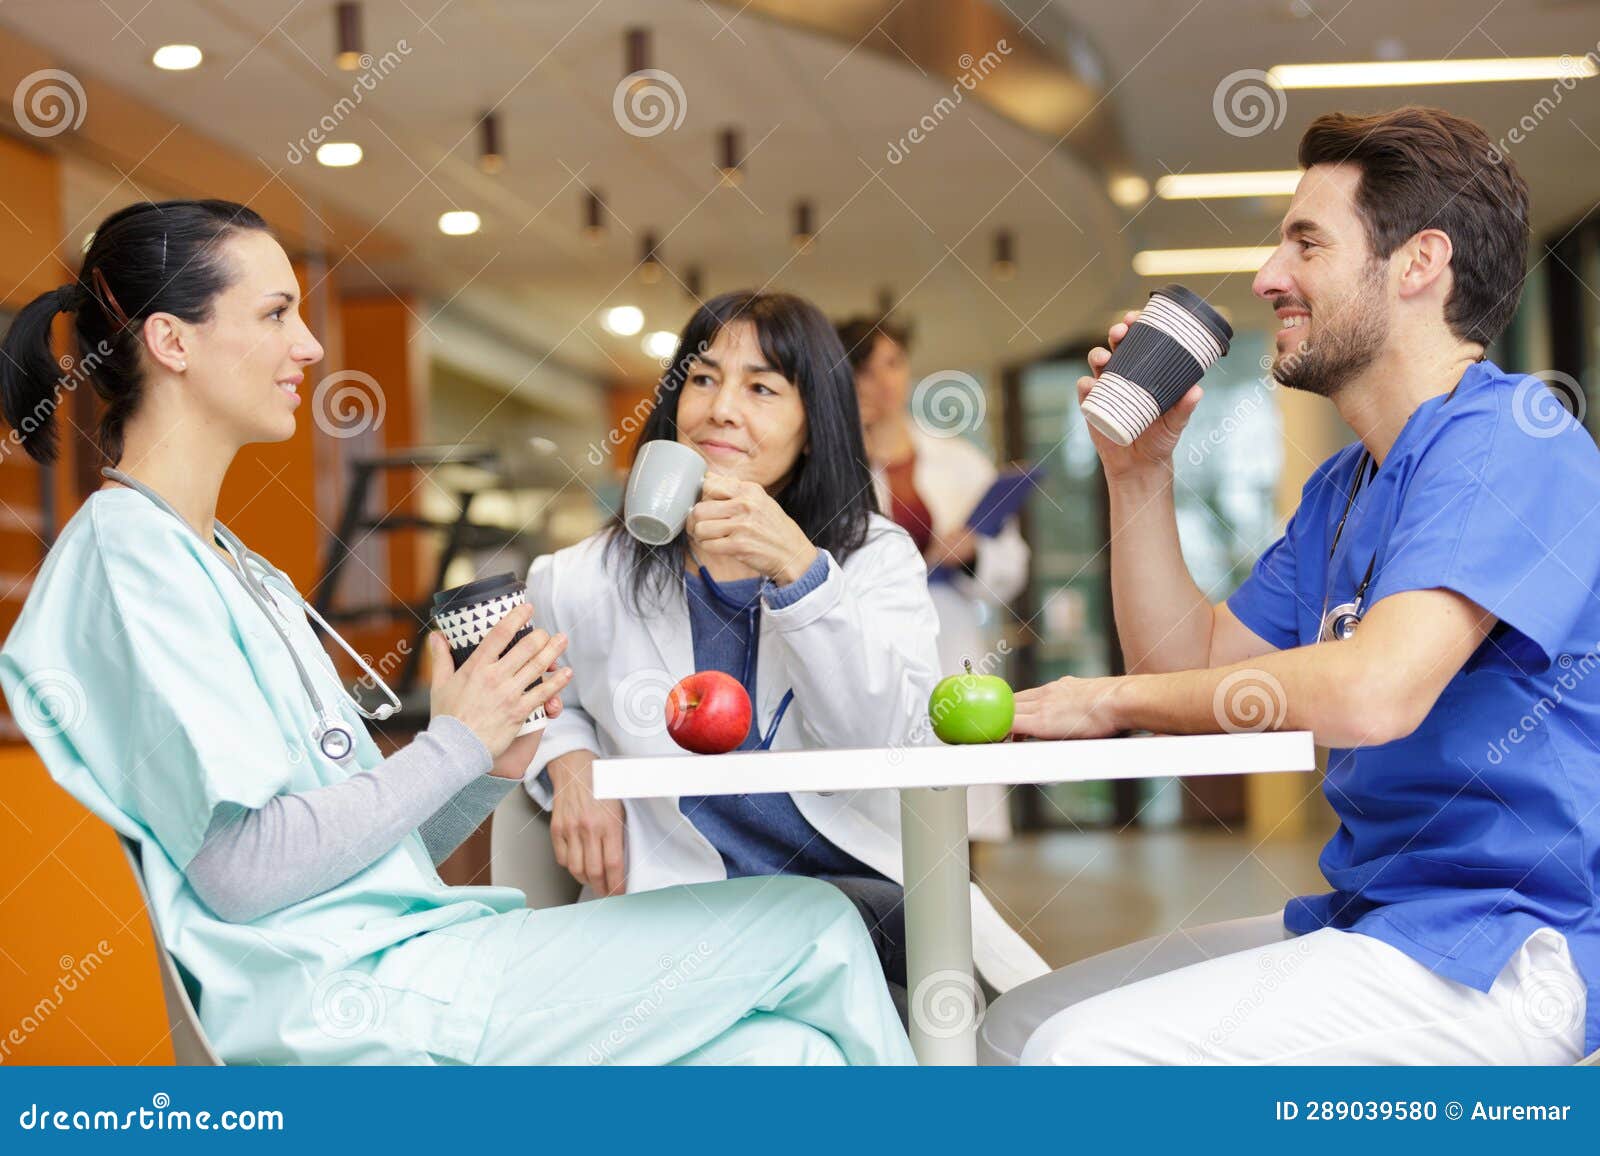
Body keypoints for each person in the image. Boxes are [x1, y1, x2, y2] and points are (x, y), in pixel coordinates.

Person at [0, 199, 913, 1066]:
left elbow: (362, 849)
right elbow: (242, 873)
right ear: (173, 342)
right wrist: (456, 739)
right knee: (818, 925)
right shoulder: (130, 560)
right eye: (277, 313)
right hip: (342, 998)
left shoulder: (238, 566)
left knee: (786, 1057)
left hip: (406, 954)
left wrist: (490, 762)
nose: (310, 345)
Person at [981, 107, 1599, 1065]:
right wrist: (1137, 473)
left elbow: (1376, 690)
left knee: (1083, 1056)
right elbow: (1189, 667)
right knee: (1016, 1027)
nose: (1269, 277)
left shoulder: (1515, 437)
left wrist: (1104, 699)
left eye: (1306, 243)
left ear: (1419, 263)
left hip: (1504, 951)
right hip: (1378, 920)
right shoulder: (1343, 490)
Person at [520, 290, 1048, 1005]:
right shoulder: (584, 575)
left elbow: (882, 743)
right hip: (678, 905)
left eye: (762, 387)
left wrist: (802, 577)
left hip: (853, 890)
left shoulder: (875, 561)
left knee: (993, 1021)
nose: (721, 408)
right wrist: (572, 766)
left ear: (814, 424)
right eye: (703, 378)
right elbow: (545, 699)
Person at [836, 314, 1030, 843]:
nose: (883, 382)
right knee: (876, 816)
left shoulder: (958, 460)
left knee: (956, 808)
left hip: (948, 640)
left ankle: (964, 917)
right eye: (865, 370)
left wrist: (969, 554)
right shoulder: (827, 468)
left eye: (894, 364)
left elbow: (1011, 569)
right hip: (864, 644)